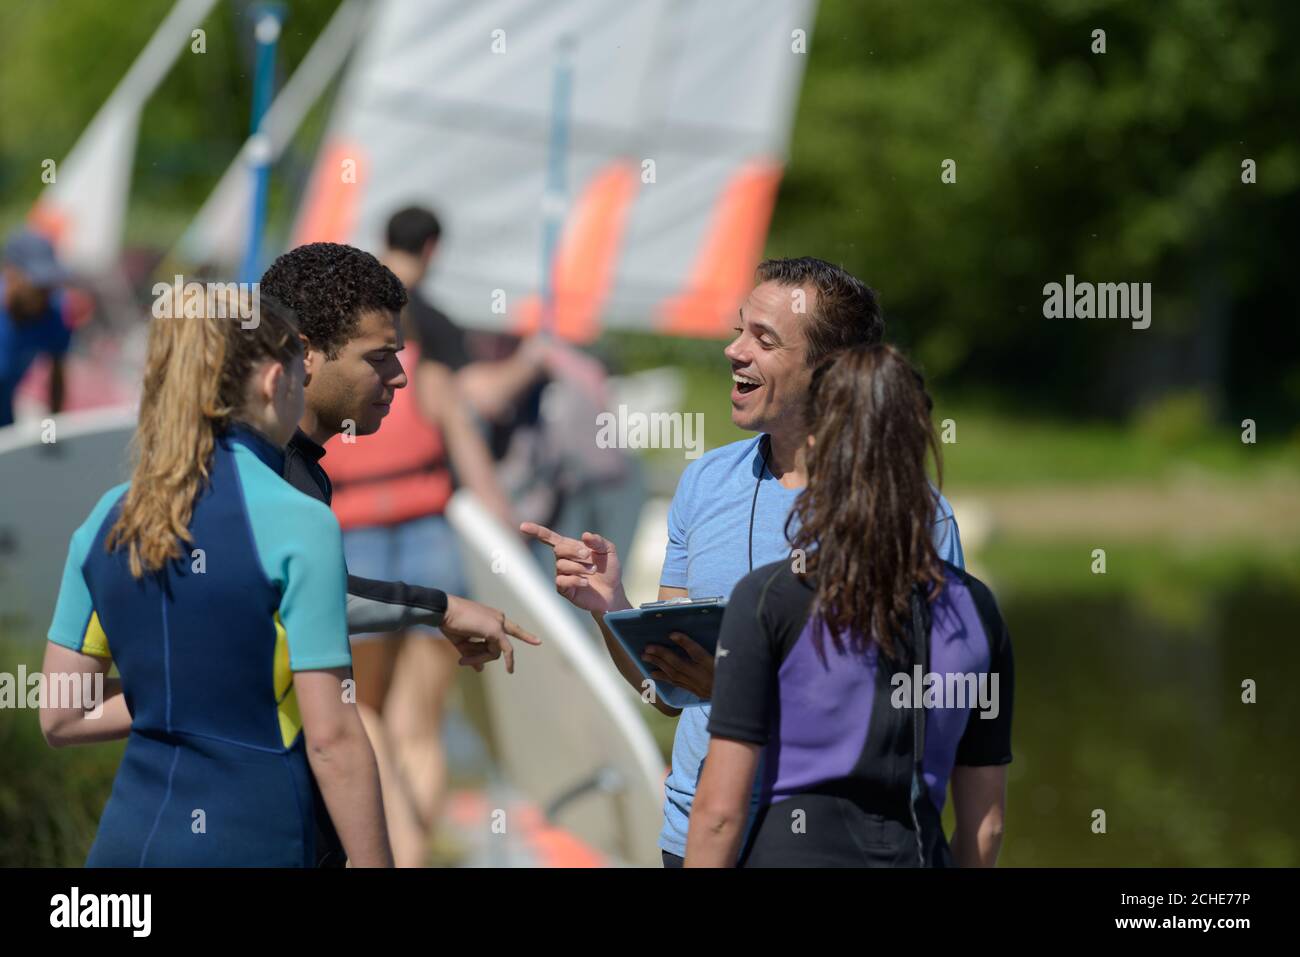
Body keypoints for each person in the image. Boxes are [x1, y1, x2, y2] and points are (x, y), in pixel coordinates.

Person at [524, 257, 964, 866]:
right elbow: (668, 692)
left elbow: (925, 718)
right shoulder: (705, 482)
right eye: (738, 330)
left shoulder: (913, 518)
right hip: (699, 832)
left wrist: (745, 698)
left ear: (828, 370)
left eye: (764, 339)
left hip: (839, 845)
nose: (734, 351)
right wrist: (612, 609)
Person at [38, 293, 393, 866]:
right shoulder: (300, 521)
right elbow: (332, 740)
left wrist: (173, 697)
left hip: (125, 850)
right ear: (275, 380)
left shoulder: (109, 516)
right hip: (255, 837)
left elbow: (61, 715)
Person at [258, 241, 541, 865]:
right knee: (392, 724)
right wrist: (442, 604)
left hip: (371, 543)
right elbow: (330, 727)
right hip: (255, 812)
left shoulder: (290, 462)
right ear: (304, 351)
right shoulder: (270, 473)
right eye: (380, 358)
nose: (400, 377)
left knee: (385, 721)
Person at [686, 345, 1013, 866]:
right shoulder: (975, 610)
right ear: (919, 447)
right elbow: (985, 825)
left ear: (815, 444)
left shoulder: (770, 600)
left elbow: (718, 815)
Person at [1, 230, 69, 427]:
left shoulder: (53, 315)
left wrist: (54, 433)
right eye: (38, 285)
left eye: (48, 285)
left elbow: (57, 375)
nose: (44, 294)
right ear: (10, 274)